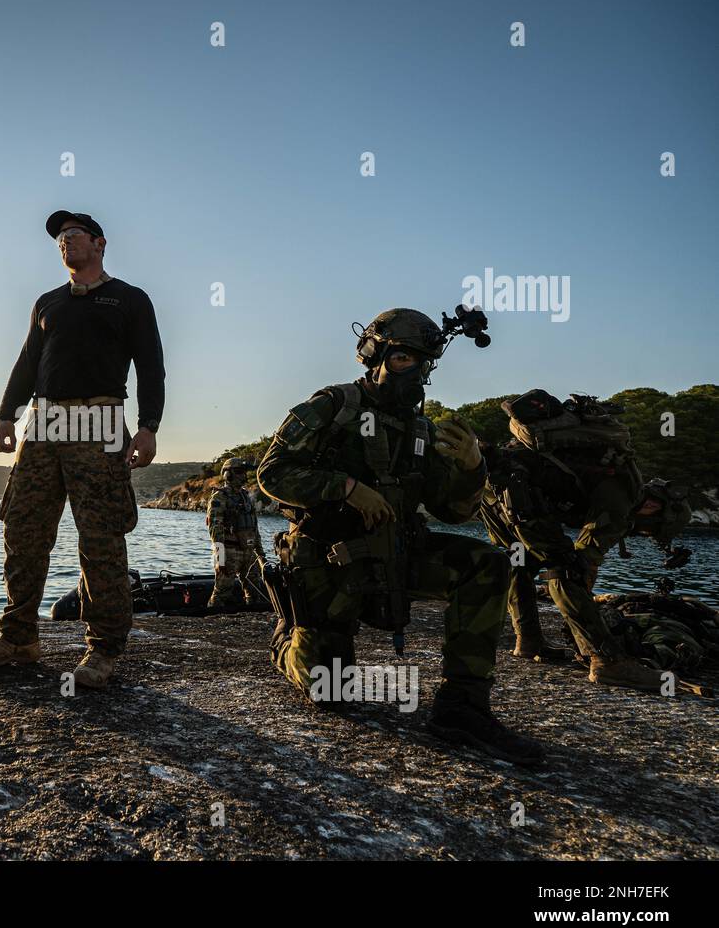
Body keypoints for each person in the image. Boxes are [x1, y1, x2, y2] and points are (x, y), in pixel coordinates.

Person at [257, 308, 544, 766]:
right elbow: (272, 474)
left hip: (396, 551)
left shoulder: (420, 429)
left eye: (424, 362)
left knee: (488, 562)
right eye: (405, 359)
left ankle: (461, 707)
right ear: (376, 355)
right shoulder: (333, 405)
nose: (416, 372)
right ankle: (286, 638)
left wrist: (473, 468)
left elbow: (451, 509)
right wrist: (347, 488)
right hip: (330, 562)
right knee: (333, 694)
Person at [0, 210, 165, 689]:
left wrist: (148, 426)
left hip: (100, 427)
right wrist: (5, 414)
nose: (65, 243)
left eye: (74, 236)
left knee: (100, 537)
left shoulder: (130, 300)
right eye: (60, 239)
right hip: (42, 427)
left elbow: (151, 366)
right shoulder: (47, 302)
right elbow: (27, 362)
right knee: (23, 529)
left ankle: (103, 649)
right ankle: (18, 637)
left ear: (99, 243)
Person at [478, 390, 668, 692]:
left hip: (493, 482)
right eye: (651, 529)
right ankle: (608, 662)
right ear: (653, 508)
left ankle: (528, 640)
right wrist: (582, 620)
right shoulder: (623, 496)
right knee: (563, 567)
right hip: (517, 487)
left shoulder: (614, 472)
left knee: (520, 558)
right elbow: (585, 555)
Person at [207, 457, 265, 607]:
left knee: (255, 591)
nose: (243, 476)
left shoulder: (246, 497)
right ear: (228, 474)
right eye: (239, 472)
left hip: (248, 551)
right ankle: (214, 619)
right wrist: (220, 559)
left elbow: (254, 527)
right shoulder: (219, 497)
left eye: (244, 472)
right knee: (221, 592)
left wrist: (260, 554)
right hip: (229, 551)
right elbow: (215, 529)